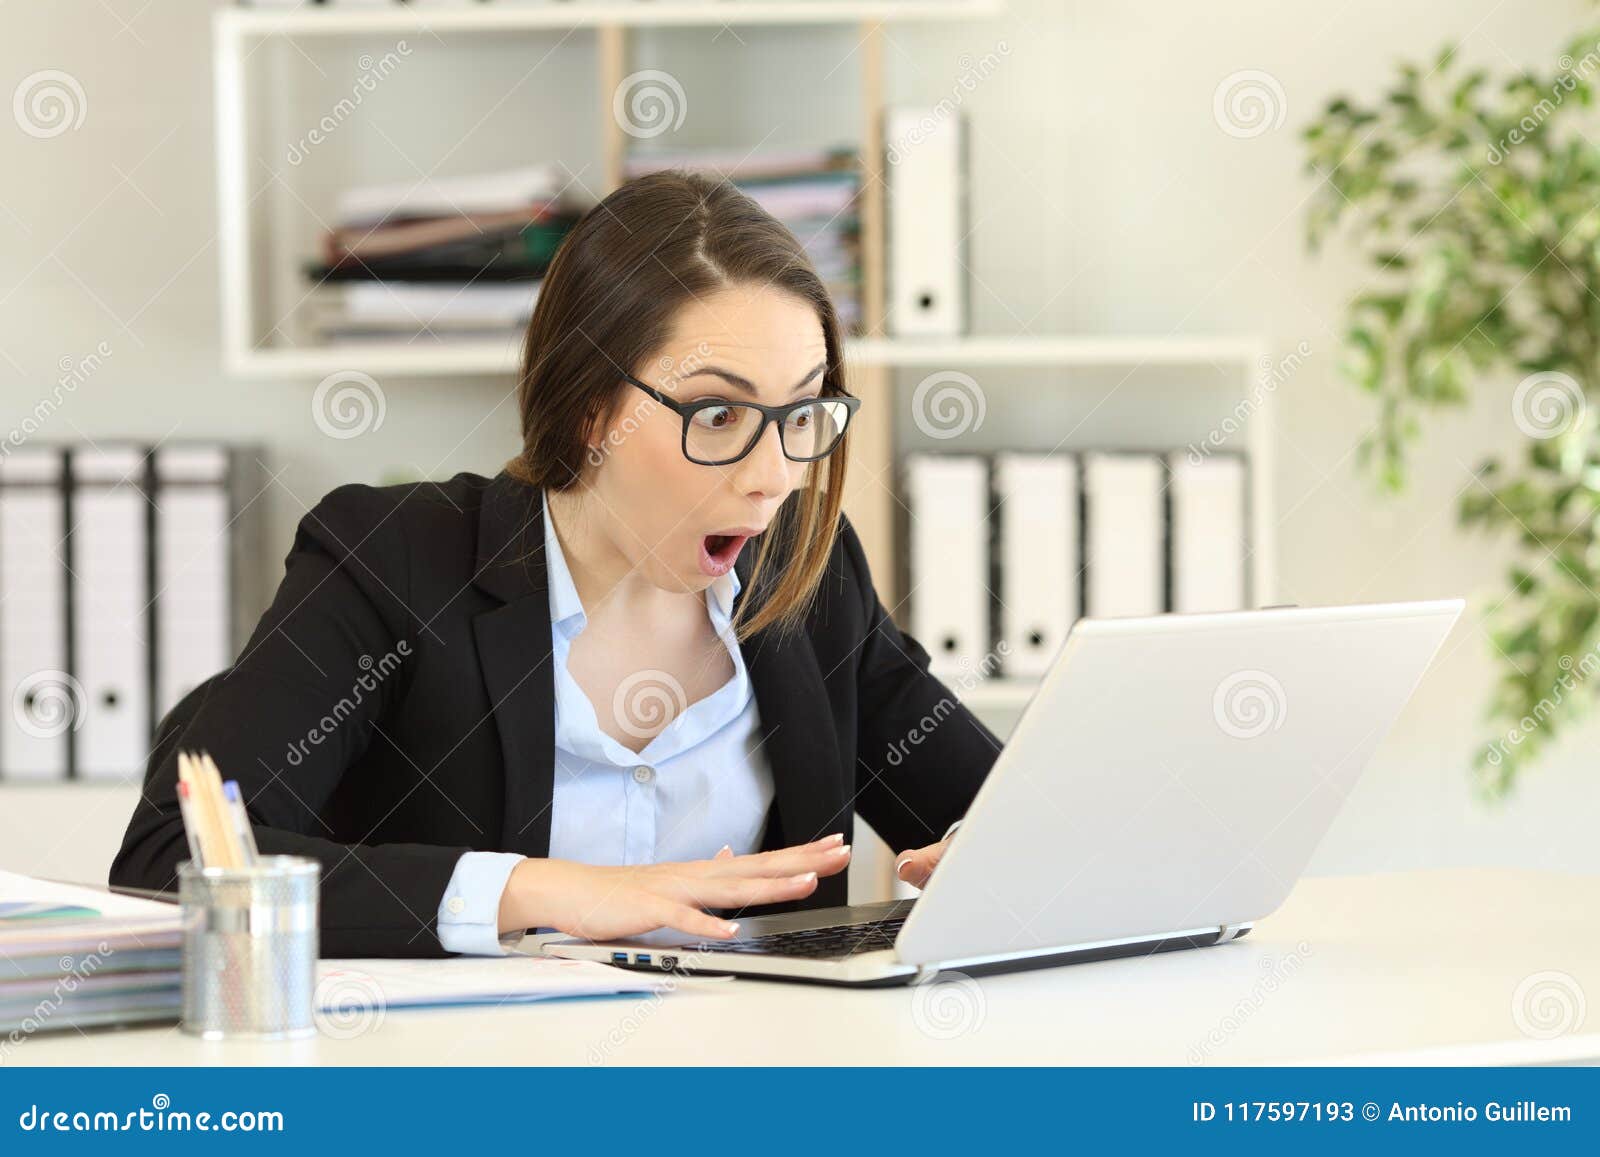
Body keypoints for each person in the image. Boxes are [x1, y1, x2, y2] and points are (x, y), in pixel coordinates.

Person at [110, 170, 1002, 958]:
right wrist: (538, 890)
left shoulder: (807, 573)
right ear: (589, 410)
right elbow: (173, 858)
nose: (772, 478)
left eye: (802, 412)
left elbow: (1008, 809)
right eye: (718, 416)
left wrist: (996, 851)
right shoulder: (396, 560)